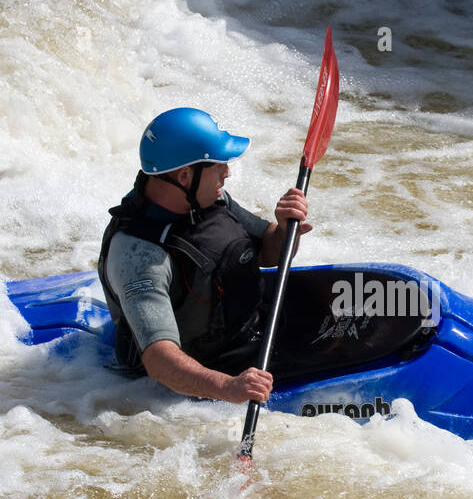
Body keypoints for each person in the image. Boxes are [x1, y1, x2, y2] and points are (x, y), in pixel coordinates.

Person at [97, 108, 312, 405]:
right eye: (218, 165)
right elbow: (160, 361)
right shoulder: (139, 257)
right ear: (185, 176)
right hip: (193, 379)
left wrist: (288, 230)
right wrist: (228, 387)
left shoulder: (209, 199)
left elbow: (268, 251)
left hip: (247, 331)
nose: (228, 172)